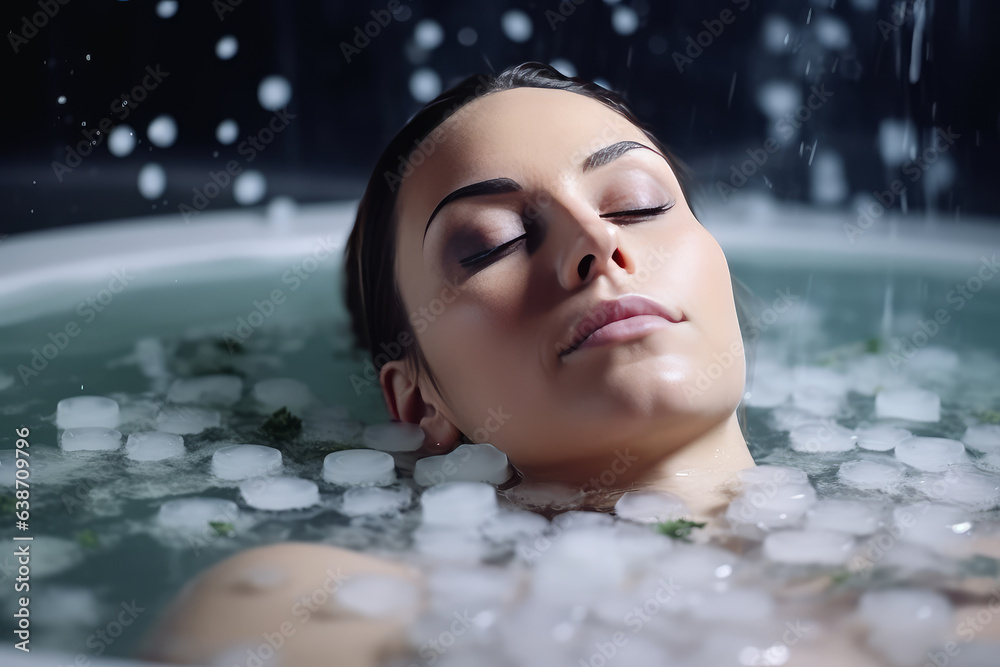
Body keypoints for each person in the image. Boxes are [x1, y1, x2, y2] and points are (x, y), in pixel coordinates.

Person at [140, 62, 759, 666]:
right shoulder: (314, 614)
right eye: (493, 243)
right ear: (419, 401)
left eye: (638, 203)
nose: (595, 241)